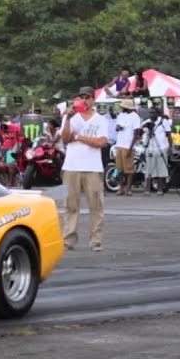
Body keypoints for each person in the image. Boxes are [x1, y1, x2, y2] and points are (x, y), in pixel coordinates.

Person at [61, 87, 107, 251]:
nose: (85, 101)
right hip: (72, 166)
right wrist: (67, 119)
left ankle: (96, 240)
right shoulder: (71, 117)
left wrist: (79, 137)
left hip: (92, 167)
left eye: (88, 98)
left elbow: (101, 142)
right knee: (71, 205)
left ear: (93, 99)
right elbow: (66, 138)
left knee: (96, 205)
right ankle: (69, 239)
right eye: (82, 98)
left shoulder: (100, 119)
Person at [112, 98, 142, 196]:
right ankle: (121, 188)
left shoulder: (135, 117)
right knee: (119, 169)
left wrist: (130, 147)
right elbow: (116, 127)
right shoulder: (121, 115)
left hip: (127, 145)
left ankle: (128, 189)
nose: (122, 108)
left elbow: (136, 133)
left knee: (129, 169)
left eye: (123, 107)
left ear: (127, 108)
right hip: (119, 144)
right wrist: (118, 127)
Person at [143, 107, 172, 196]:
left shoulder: (163, 122)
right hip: (150, 148)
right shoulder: (147, 122)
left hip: (161, 148)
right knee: (148, 169)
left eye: (153, 113)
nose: (151, 115)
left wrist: (170, 147)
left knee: (161, 170)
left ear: (157, 113)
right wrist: (147, 128)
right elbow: (140, 131)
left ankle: (160, 189)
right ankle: (147, 189)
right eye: (150, 113)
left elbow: (169, 135)